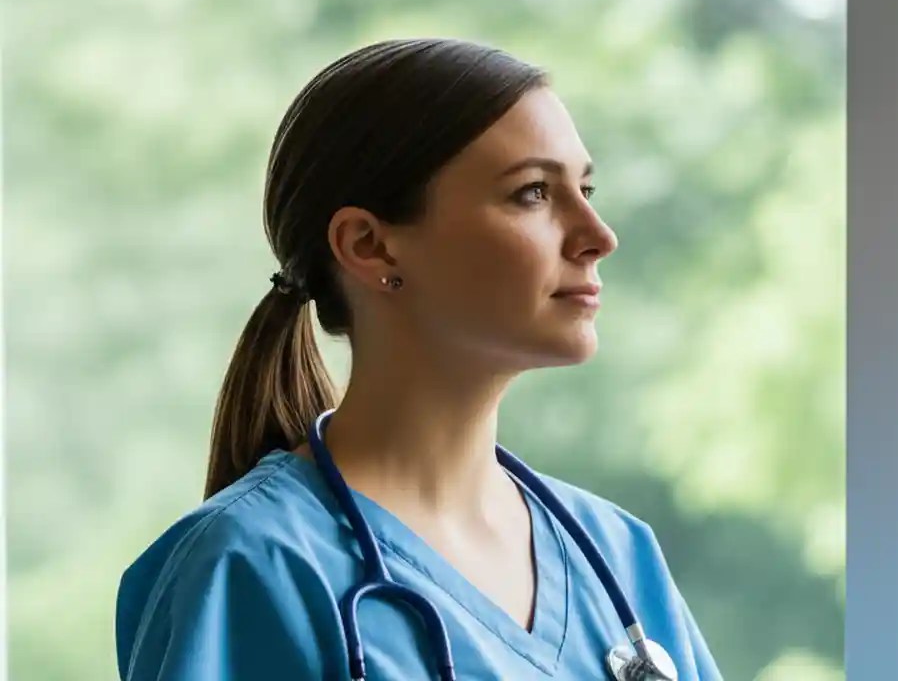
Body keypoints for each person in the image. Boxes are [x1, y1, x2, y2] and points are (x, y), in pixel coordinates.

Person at [114, 38, 722, 680]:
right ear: (370, 246)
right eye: (534, 193)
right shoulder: (251, 563)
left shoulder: (615, 554)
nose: (600, 236)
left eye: (586, 188)